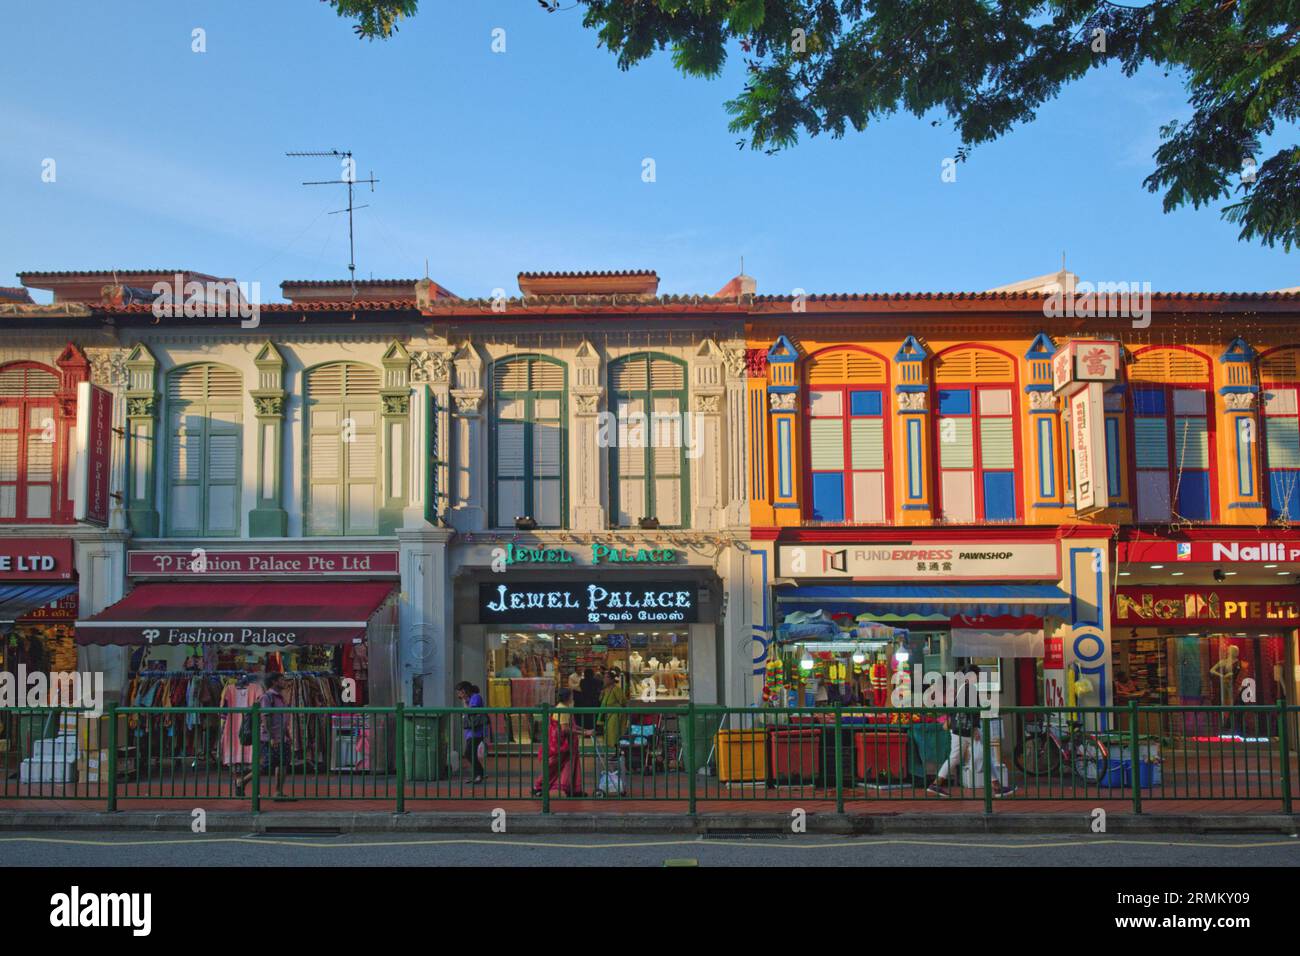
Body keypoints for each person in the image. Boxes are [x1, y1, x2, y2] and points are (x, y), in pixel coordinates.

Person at [927, 662, 1013, 798]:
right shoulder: (969, 689)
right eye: (977, 675)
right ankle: (997, 787)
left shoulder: (962, 688)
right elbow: (971, 711)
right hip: (967, 730)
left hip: (958, 730)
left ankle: (936, 784)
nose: (978, 678)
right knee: (984, 755)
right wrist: (975, 728)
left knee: (954, 758)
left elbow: (958, 709)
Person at [237, 672, 290, 800]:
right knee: (264, 765)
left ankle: (278, 792)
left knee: (282, 764)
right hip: (268, 738)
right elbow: (265, 718)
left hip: (281, 737)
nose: (285, 682)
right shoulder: (267, 697)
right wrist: (271, 737)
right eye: (281, 680)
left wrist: (286, 734)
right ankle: (241, 782)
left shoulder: (280, 697)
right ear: (274, 682)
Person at [532, 689, 593, 797]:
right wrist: (584, 733)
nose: (573, 698)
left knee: (566, 766)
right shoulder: (563, 709)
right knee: (555, 767)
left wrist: (584, 730)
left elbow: (570, 725)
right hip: (563, 745)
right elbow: (565, 729)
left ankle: (572, 789)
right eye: (572, 696)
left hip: (563, 745)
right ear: (568, 698)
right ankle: (539, 787)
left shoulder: (560, 706)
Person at [456, 681, 489, 783]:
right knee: (471, 753)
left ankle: (479, 774)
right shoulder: (469, 699)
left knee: (468, 753)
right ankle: (478, 775)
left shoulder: (475, 697)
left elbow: (471, 711)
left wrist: (465, 702)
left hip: (477, 731)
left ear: (465, 690)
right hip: (471, 731)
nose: (459, 694)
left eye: (460, 692)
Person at [599, 668, 629, 752]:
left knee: (615, 733)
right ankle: (616, 752)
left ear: (612, 679)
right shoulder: (605, 690)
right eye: (604, 677)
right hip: (608, 714)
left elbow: (623, 702)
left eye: (607, 677)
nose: (604, 679)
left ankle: (618, 752)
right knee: (609, 733)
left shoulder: (617, 689)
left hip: (616, 715)